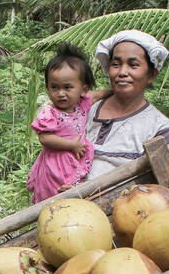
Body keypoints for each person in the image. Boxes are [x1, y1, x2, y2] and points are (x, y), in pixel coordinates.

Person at [84, 29, 169, 178]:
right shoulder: (87, 110)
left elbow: (158, 186)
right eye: (116, 64)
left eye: (133, 65)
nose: (122, 72)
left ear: (151, 74)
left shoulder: (160, 129)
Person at [25, 43, 113, 203]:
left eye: (67, 87)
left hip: (73, 161)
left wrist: (115, 91)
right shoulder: (50, 113)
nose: (60, 93)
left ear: (83, 89)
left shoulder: (81, 105)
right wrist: (71, 146)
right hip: (55, 165)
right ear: (47, 87)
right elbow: (44, 138)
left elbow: (96, 95)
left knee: (73, 196)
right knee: (55, 198)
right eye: (54, 87)